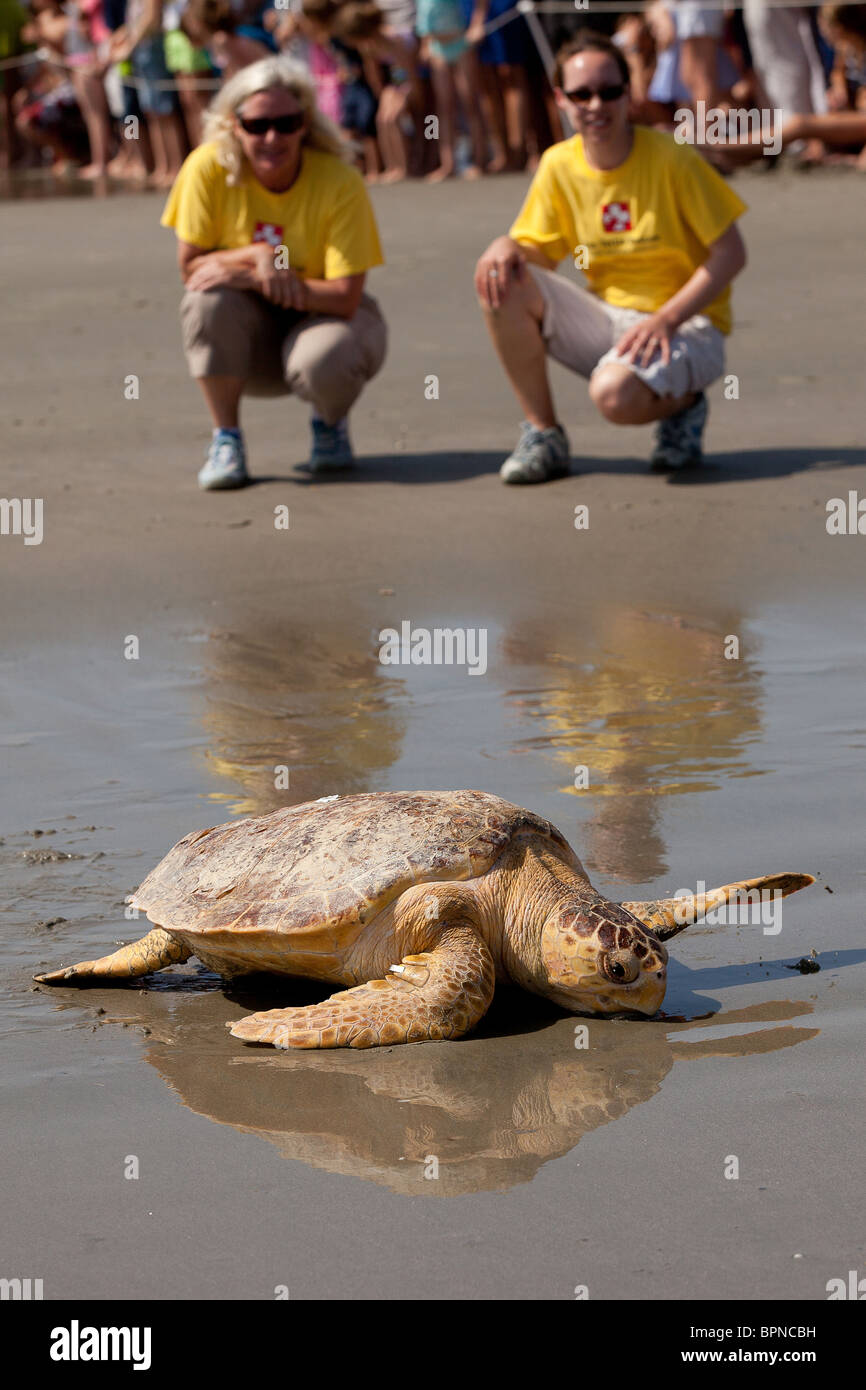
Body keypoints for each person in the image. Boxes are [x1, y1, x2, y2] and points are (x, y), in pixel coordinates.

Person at [474, 30, 748, 484]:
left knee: (614, 397)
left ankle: (686, 404)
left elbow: (731, 253)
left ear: (629, 93)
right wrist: (504, 245)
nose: (596, 105)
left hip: (689, 325)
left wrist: (667, 318)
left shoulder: (673, 158)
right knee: (499, 276)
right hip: (611, 318)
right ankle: (543, 433)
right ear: (561, 99)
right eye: (581, 94)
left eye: (609, 91)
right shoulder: (558, 164)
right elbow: (537, 255)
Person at [161, 54, 387, 489]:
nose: (272, 137)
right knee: (205, 299)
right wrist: (257, 258)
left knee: (326, 357)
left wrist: (274, 277)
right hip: (250, 342)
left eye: (286, 124)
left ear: (305, 123)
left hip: (324, 320)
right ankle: (226, 438)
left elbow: (345, 297)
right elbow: (190, 267)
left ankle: (329, 422)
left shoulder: (340, 181)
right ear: (232, 124)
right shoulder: (207, 169)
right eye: (256, 125)